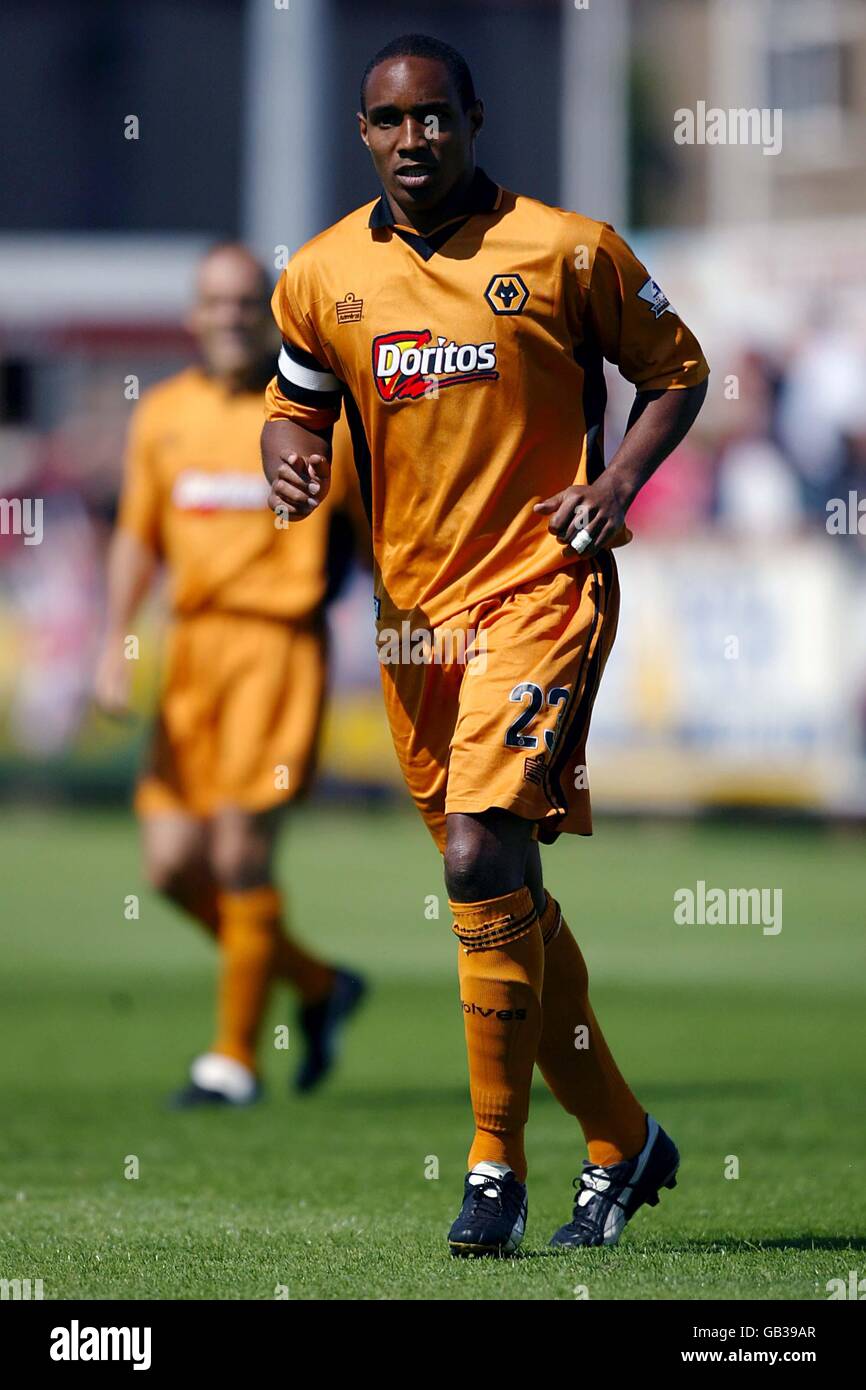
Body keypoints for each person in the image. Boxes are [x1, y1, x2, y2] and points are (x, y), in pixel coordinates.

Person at [262, 35, 709, 1255]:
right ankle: (621, 1140)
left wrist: (617, 480)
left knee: (476, 853)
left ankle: (493, 1167)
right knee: (497, 889)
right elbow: (294, 397)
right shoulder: (317, 274)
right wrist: (288, 453)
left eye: (434, 117)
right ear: (363, 133)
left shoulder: (567, 249)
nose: (414, 141)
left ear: (472, 118)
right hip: (414, 625)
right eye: (390, 122)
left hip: (539, 591)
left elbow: (676, 371)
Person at [95, 242, 366, 1107]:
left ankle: (231, 1061)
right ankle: (318, 983)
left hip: (279, 649)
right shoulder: (164, 415)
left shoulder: (316, 419)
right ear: (192, 314)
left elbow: (379, 530)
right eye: (215, 302)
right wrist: (114, 639)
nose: (231, 317)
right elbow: (138, 534)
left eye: (248, 302)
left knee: (242, 850)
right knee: (173, 865)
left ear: (273, 315)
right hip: (191, 653)